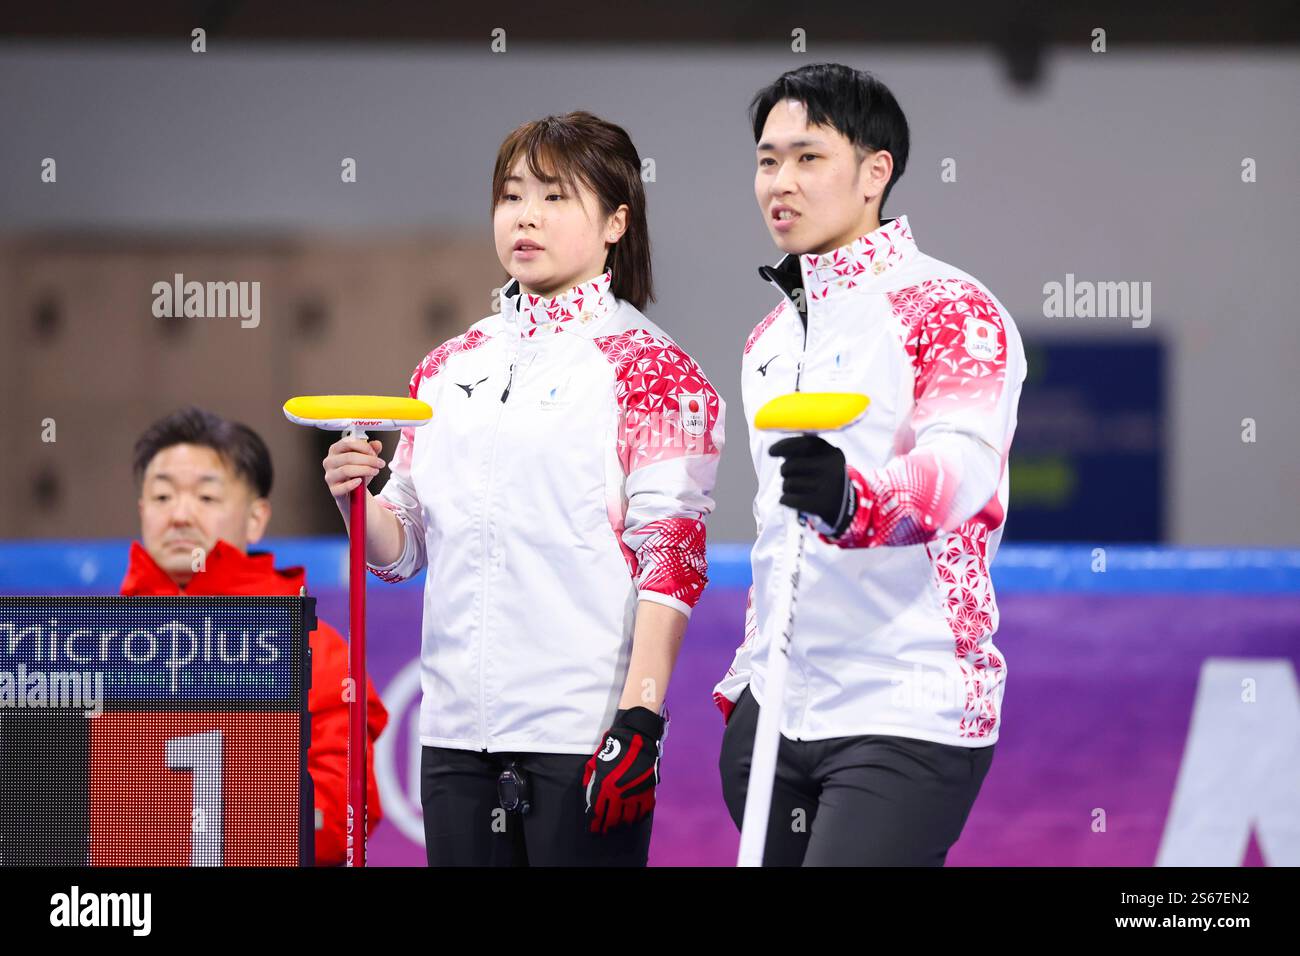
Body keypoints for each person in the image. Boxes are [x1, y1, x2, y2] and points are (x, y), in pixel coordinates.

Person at [322, 111, 725, 866]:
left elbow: (671, 557)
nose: (525, 218)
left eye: (555, 197)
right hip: (452, 734)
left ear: (615, 221)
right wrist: (358, 501)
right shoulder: (447, 366)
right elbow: (402, 552)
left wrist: (640, 719)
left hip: (584, 735)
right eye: (511, 197)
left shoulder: (654, 371)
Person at [714, 63, 1027, 866]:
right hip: (780, 712)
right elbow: (770, 533)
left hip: (906, 704)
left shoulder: (951, 308)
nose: (779, 181)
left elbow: (959, 473)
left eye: (808, 158)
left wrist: (853, 503)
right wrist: (748, 685)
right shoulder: (768, 340)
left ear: (874, 172)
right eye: (766, 159)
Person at [121, 406, 388, 866]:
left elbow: (343, 815)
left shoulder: (313, 650)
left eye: (206, 498)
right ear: (142, 510)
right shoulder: (86, 643)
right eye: (162, 497)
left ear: (256, 517)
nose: (180, 515)